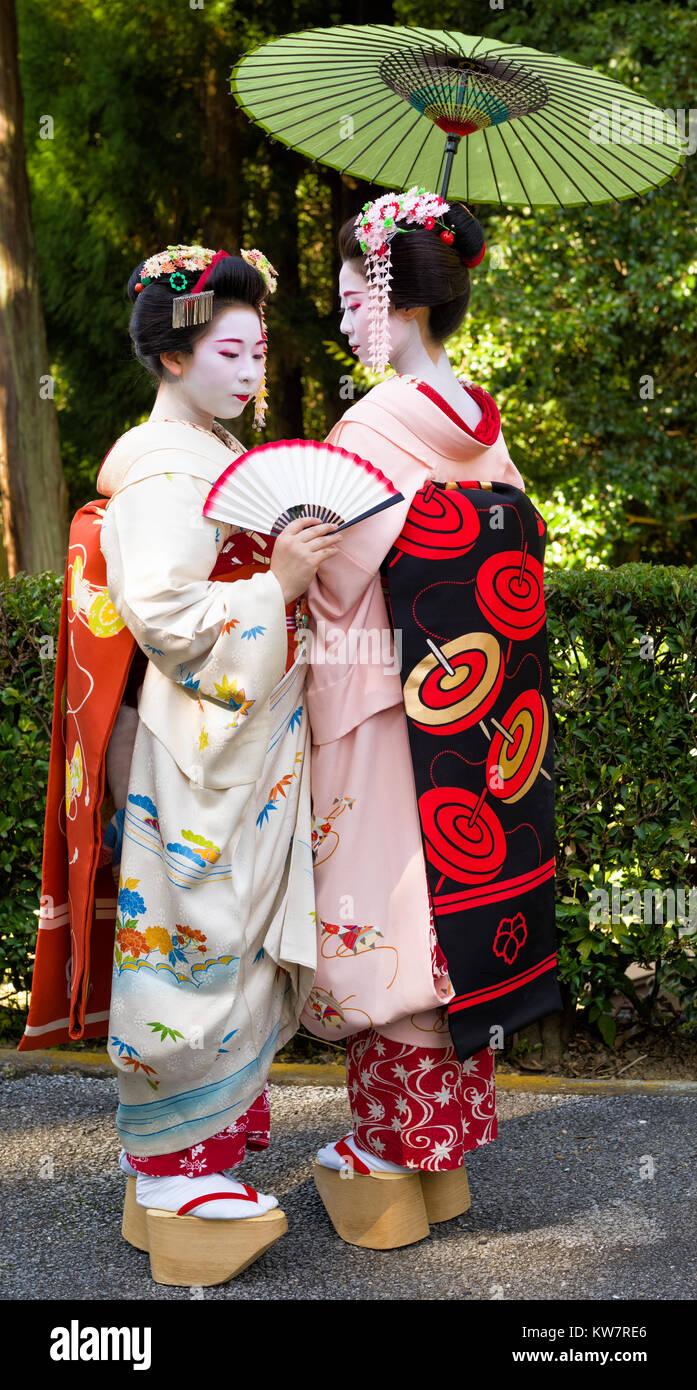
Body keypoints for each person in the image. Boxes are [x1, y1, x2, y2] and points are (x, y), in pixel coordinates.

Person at [22, 243, 341, 1285]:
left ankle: (173, 1170)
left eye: (259, 351)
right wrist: (277, 585)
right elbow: (162, 616)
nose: (252, 372)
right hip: (194, 746)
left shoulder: (199, 453)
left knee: (221, 941)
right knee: (196, 940)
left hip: (226, 741)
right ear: (172, 355)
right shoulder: (166, 467)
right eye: (231, 350)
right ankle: (173, 1175)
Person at [303, 188, 560, 1249]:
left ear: (388, 298)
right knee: (451, 918)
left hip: (381, 703)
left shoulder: (369, 427)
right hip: (475, 709)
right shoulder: (477, 420)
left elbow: (335, 579)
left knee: (388, 922)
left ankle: (384, 1155)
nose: (343, 313)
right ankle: (437, 1162)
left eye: (351, 293)